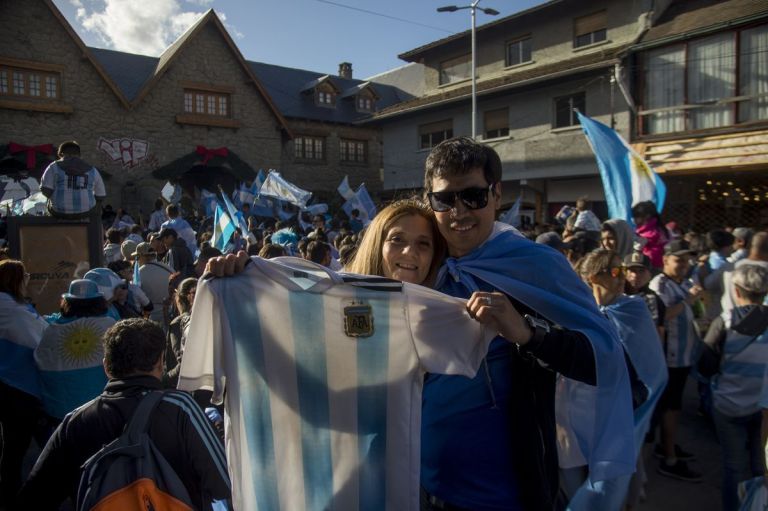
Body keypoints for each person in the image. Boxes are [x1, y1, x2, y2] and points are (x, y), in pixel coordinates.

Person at [417, 137, 632, 510]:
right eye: (445, 199)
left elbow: (606, 359)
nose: (459, 212)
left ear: (496, 194)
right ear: (429, 201)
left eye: (473, 196)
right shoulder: (419, 264)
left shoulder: (536, 266)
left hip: (507, 491)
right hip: (420, 484)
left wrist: (529, 335)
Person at [16, 318, 231, 510]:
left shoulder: (76, 421)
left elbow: (34, 498)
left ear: (106, 367)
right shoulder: (181, 408)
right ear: (160, 363)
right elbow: (224, 484)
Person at [566, 249, 667, 510]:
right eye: (613, 271)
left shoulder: (634, 308)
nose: (622, 277)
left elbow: (653, 369)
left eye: (622, 270)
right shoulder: (577, 310)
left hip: (624, 411)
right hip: (581, 413)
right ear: (591, 277)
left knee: (615, 475)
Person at [698, 264, 768, 511]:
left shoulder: (724, 322)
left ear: (736, 291)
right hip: (764, 409)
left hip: (728, 405)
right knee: (762, 465)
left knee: (734, 465)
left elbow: (706, 365)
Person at [649, 239, 704, 481]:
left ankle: (666, 444)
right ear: (665, 260)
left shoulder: (685, 282)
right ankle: (669, 457)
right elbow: (662, 316)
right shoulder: (659, 284)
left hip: (683, 356)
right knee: (670, 407)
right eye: (678, 259)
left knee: (673, 406)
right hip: (668, 358)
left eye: (686, 260)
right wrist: (688, 301)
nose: (684, 264)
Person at [0, 260, 48, 506]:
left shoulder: (11, 307)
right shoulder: (14, 311)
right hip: (20, 388)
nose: (28, 279)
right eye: (25, 275)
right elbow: (41, 339)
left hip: (7, 383)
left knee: (11, 448)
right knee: (33, 447)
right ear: (15, 280)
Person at [34, 279, 115, 422]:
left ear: (67, 303)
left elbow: (41, 363)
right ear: (99, 302)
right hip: (102, 410)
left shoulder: (52, 330)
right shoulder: (110, 326)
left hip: (60, 412)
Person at [40, 141, 106, 219]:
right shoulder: (92, 170)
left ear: (61, 154)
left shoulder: (53, 167)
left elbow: (45, 190)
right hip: (86, 212)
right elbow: (101, 196)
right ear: (79, 155)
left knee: (49, 202)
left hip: (59, 212)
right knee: (97, 206)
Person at [164, 277, 197, 389]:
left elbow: (183, 363)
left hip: (183, 387)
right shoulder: (208, 318)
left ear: (178, 299)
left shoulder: (178, 323)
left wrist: (164, 379)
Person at [133, 242, 173, 325]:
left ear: (142, 256)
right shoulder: (169, 269)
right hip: (171, 313)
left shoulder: (140, 273)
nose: (137, 260)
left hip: (151, 316)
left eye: (137, 257)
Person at [632, 201, 668, 270]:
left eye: (637, 216)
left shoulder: (648, 233)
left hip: (651, 267)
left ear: (647, 216)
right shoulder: (659, 228)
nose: (634, 220)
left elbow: (637, 249)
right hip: (661, 264)